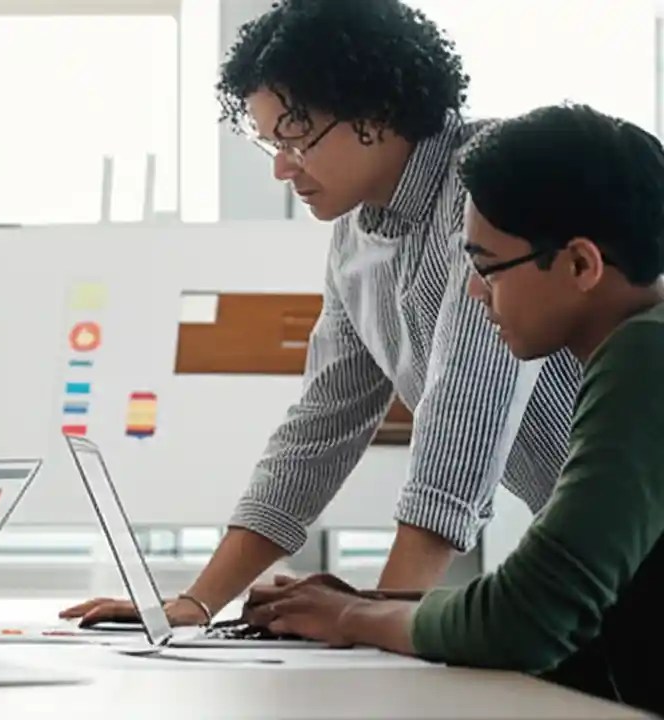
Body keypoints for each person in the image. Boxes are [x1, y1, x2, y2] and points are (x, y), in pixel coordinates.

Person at [64, 0, 582, 628]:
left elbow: (466, 407)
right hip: (602, 535)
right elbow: (319, 426)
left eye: (297, 136)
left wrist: (377, 619)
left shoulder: (491, 180)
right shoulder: (356, 236)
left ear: (378, 109)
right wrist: (196, 603)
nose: (283, 167)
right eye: (268, 144)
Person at [241, 103, 664, 715]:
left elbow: (530, 617)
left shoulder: (646, 356)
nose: (473, 290)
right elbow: (569, 609)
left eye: (487, 268)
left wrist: (359, 616)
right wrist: (368, 608)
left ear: (580, 264)